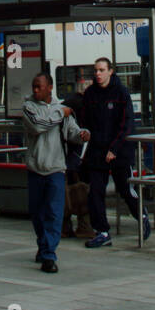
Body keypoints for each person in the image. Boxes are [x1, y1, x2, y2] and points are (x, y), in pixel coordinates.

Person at [80, 57, 151, 248]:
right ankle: (102, 232)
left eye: (102, 70)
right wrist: (84, 131)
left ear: (111, 71)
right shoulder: (90, 94)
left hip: (119, 150)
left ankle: (142, 216)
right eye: (96, 70)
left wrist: (115, 148)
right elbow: (85, 120)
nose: (98, 74)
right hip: (97, 150)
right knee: (95, 191)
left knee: (125, 188)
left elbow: (126, 123)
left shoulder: (121, 92)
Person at [22, 73, 89, 273]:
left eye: (39, 87)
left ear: (49, 87)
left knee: (54, 212)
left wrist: (82, 134)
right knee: (37, 214)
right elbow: (38, 125)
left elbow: (72, 132)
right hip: (35, 169)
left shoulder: (62, 110)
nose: (35, 90)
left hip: (56, 170)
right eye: (34, 86)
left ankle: (49, 254)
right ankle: (43, 245)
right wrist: (62, 113)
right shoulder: (28, 107)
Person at [61, 73, 93, 239]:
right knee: (82, 187)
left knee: (68, 188)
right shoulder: (87, 103)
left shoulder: (69, 103)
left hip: (71, 153)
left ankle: (66, 227)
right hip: (81, 152)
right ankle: (84, 225)